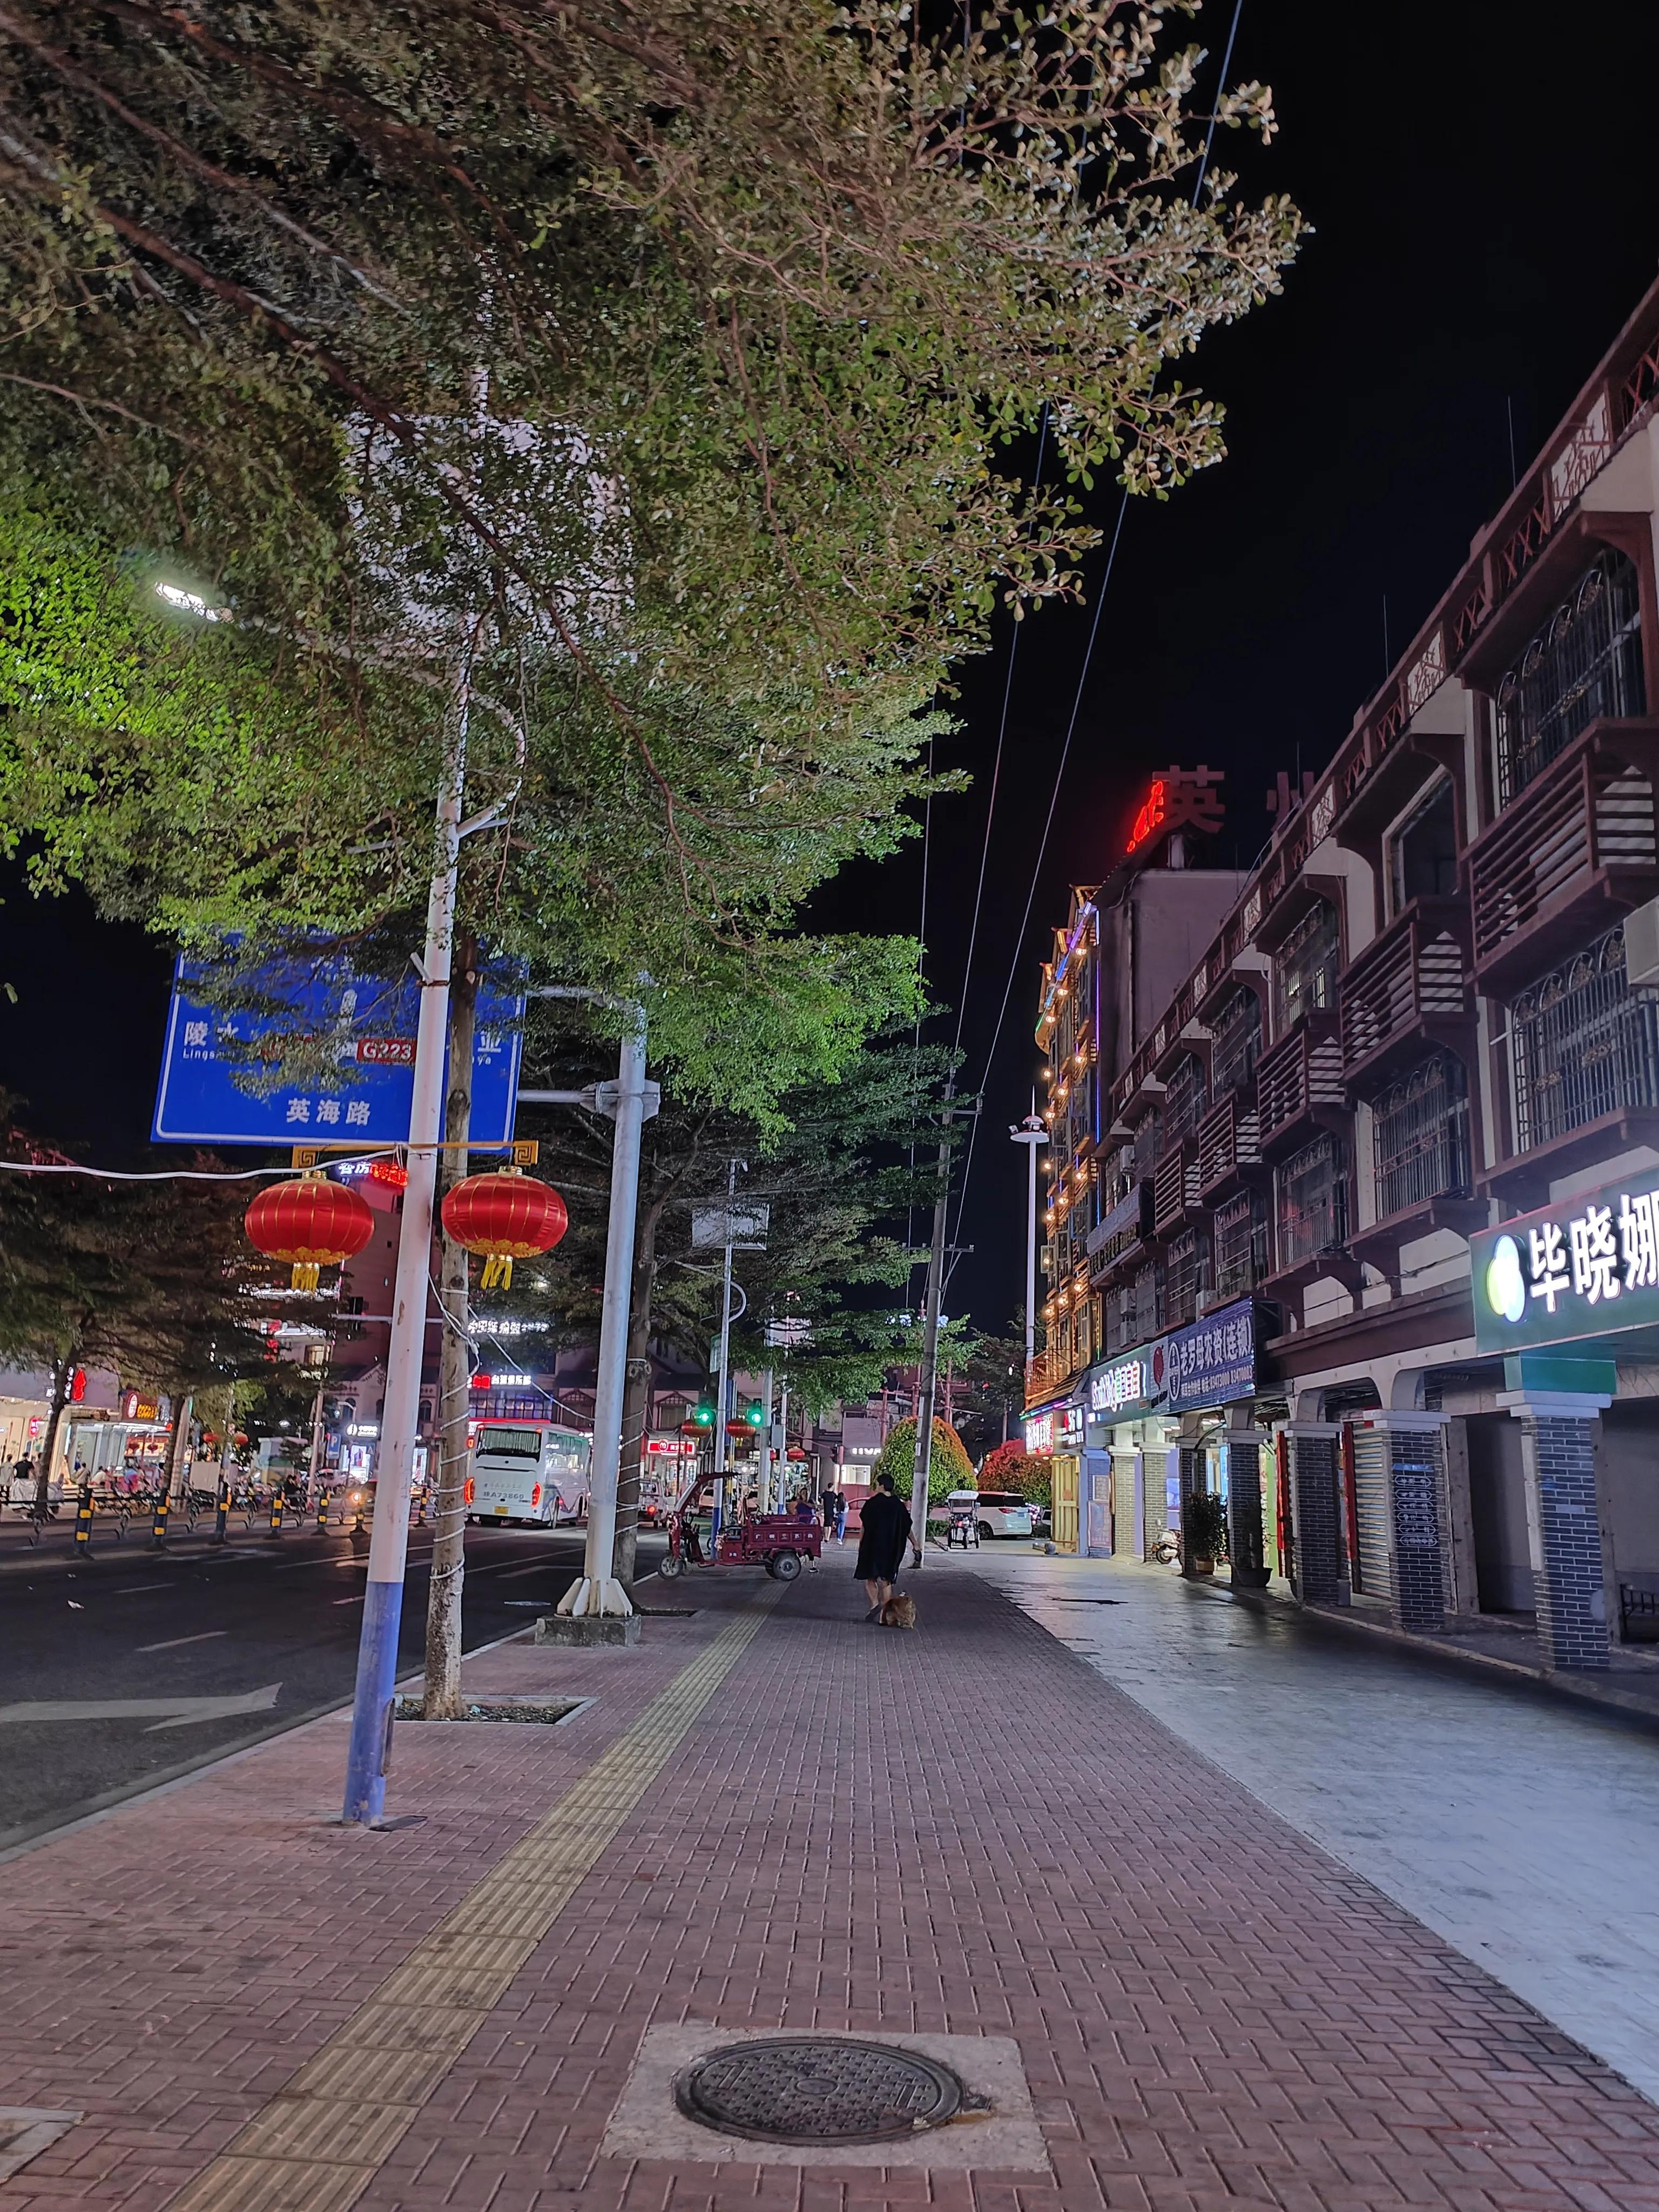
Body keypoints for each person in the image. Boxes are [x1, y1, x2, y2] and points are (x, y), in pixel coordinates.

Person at [854, 1469, 912, 1622]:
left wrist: (861, 1544)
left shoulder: (872, 1504)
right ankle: (883, 1617)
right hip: (891, 1549)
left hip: (872, 1547)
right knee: (887, 1581)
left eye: (878, 1485)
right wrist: (916, 1545)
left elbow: (864, 1527)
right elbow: (907, 1528)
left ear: (882, 1486)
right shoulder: (899, 1506)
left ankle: (874, 1604)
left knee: (870, 1578)